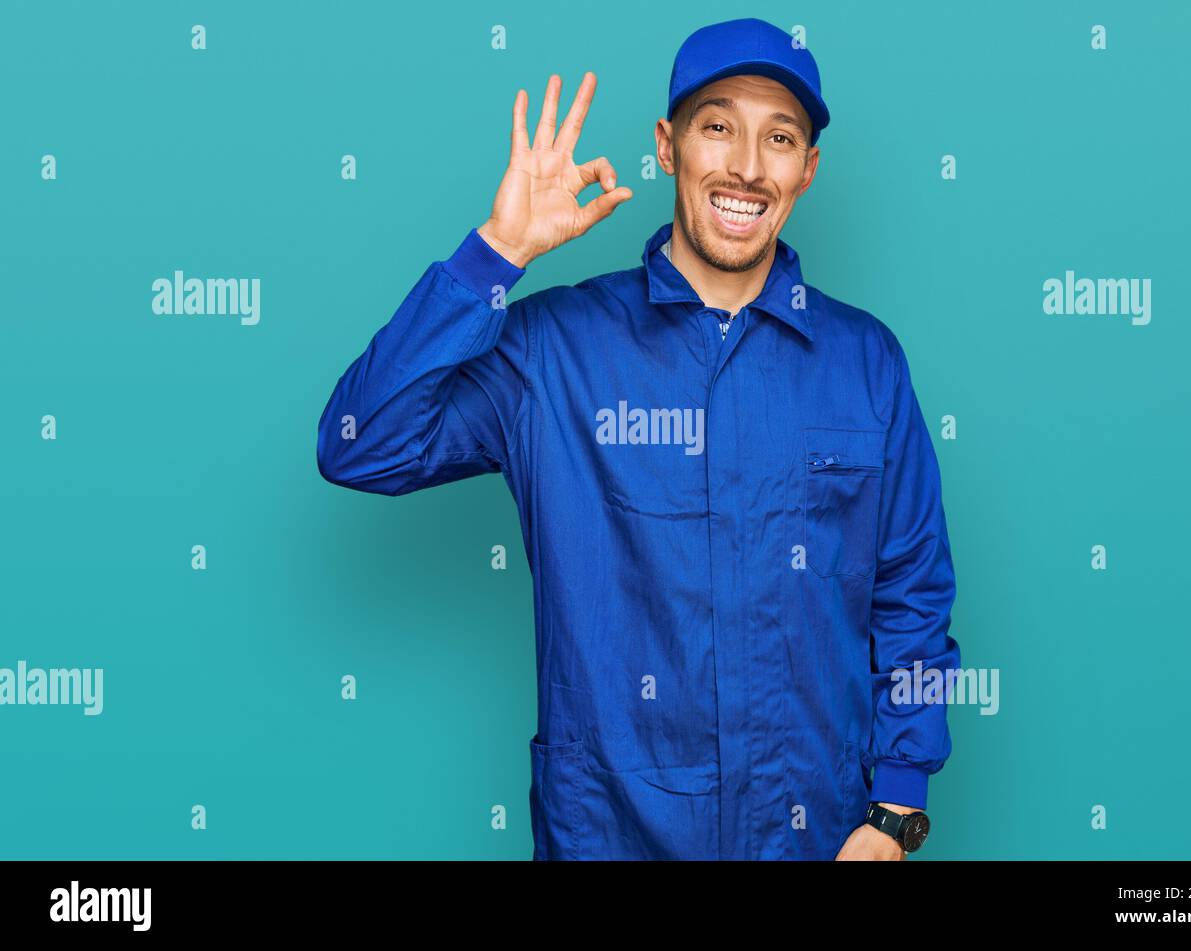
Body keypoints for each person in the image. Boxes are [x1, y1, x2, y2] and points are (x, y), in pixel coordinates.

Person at [317, 17, 960, 861]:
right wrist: (496, 254)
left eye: (779, 137)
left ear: (806, 169)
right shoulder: (555, 351)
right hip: (608, 836)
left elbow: (912, 594)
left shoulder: (866, 362)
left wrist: (896, 808)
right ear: (668, 146)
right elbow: (361, 443)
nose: (747, 165)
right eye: (718, 126)